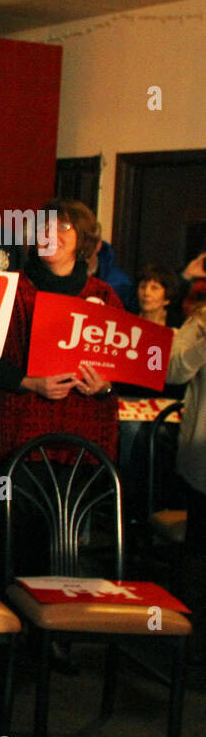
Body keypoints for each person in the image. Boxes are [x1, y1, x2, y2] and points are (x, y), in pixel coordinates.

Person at [0, 201, 120, 583]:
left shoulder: (104, 295)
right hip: (12, 436)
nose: (52, 236)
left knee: (63, 547)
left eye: (64, 229)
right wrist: (29, 382)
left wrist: (106, 384)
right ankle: (9, 630)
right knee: (11, 546)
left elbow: (122, 364)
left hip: (76, 444)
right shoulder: (8, 290)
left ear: (82, 241)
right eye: (44, 229)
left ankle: (54, 635)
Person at [167, 282, 206, 662]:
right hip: (203, 461)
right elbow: (173, 369)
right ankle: (190, 648)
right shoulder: (200, 321)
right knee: (199, 554)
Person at [135, 263, 181, 329]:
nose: (146, 293)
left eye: (154, 288)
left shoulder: (178, 326)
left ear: (167, 299)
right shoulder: (126, 318)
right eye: (143, 287)